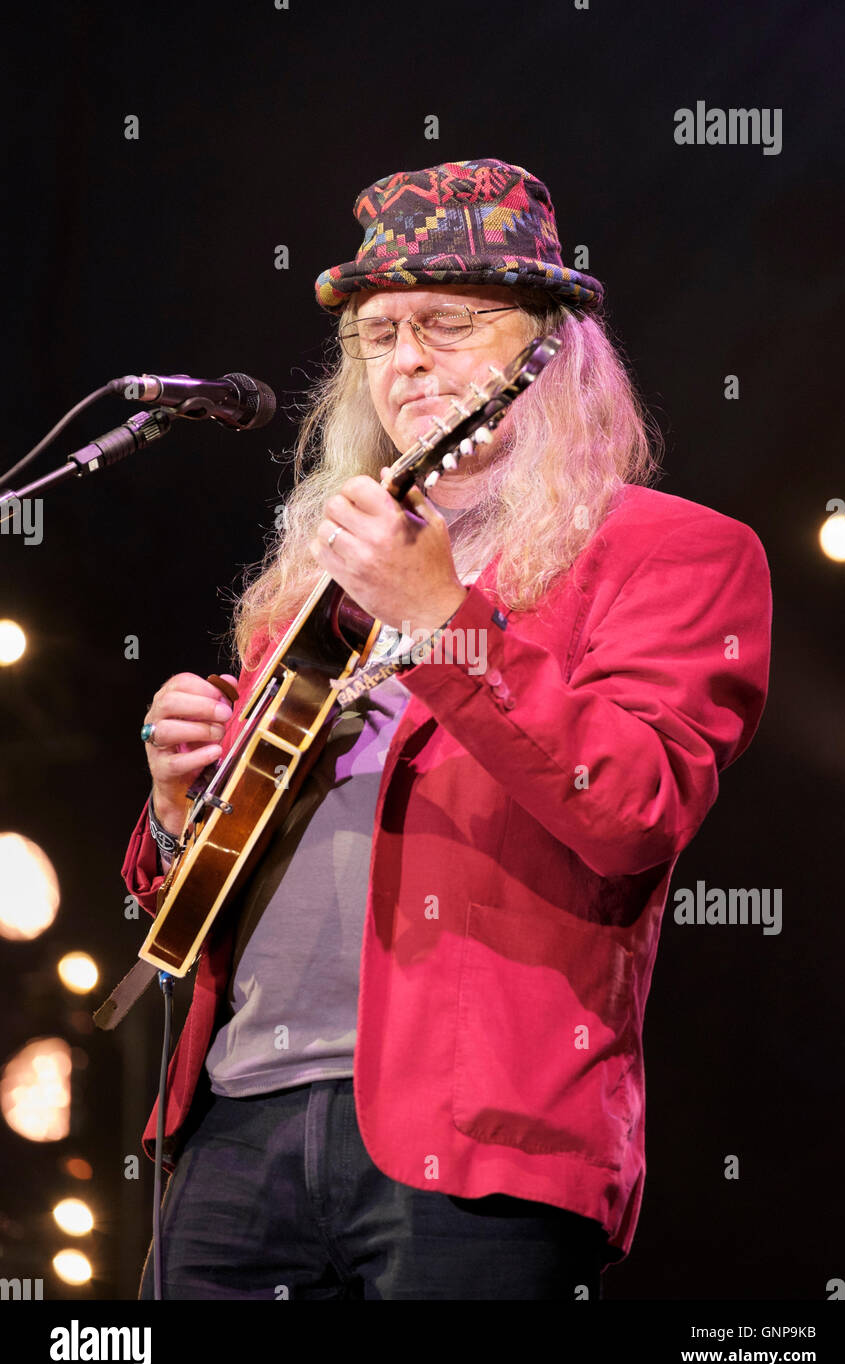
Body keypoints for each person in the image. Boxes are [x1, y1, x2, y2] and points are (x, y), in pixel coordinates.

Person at [122, 157, 772, 1300]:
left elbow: (633, 807)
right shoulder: (308, 593)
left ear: (548, 346)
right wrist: (177, 815)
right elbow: (198, 887)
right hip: (233, 1123)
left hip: (478, 1139)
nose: (405, 360)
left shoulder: (676, 552)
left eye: (446, 322)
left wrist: (445, 620)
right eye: (376, 334)